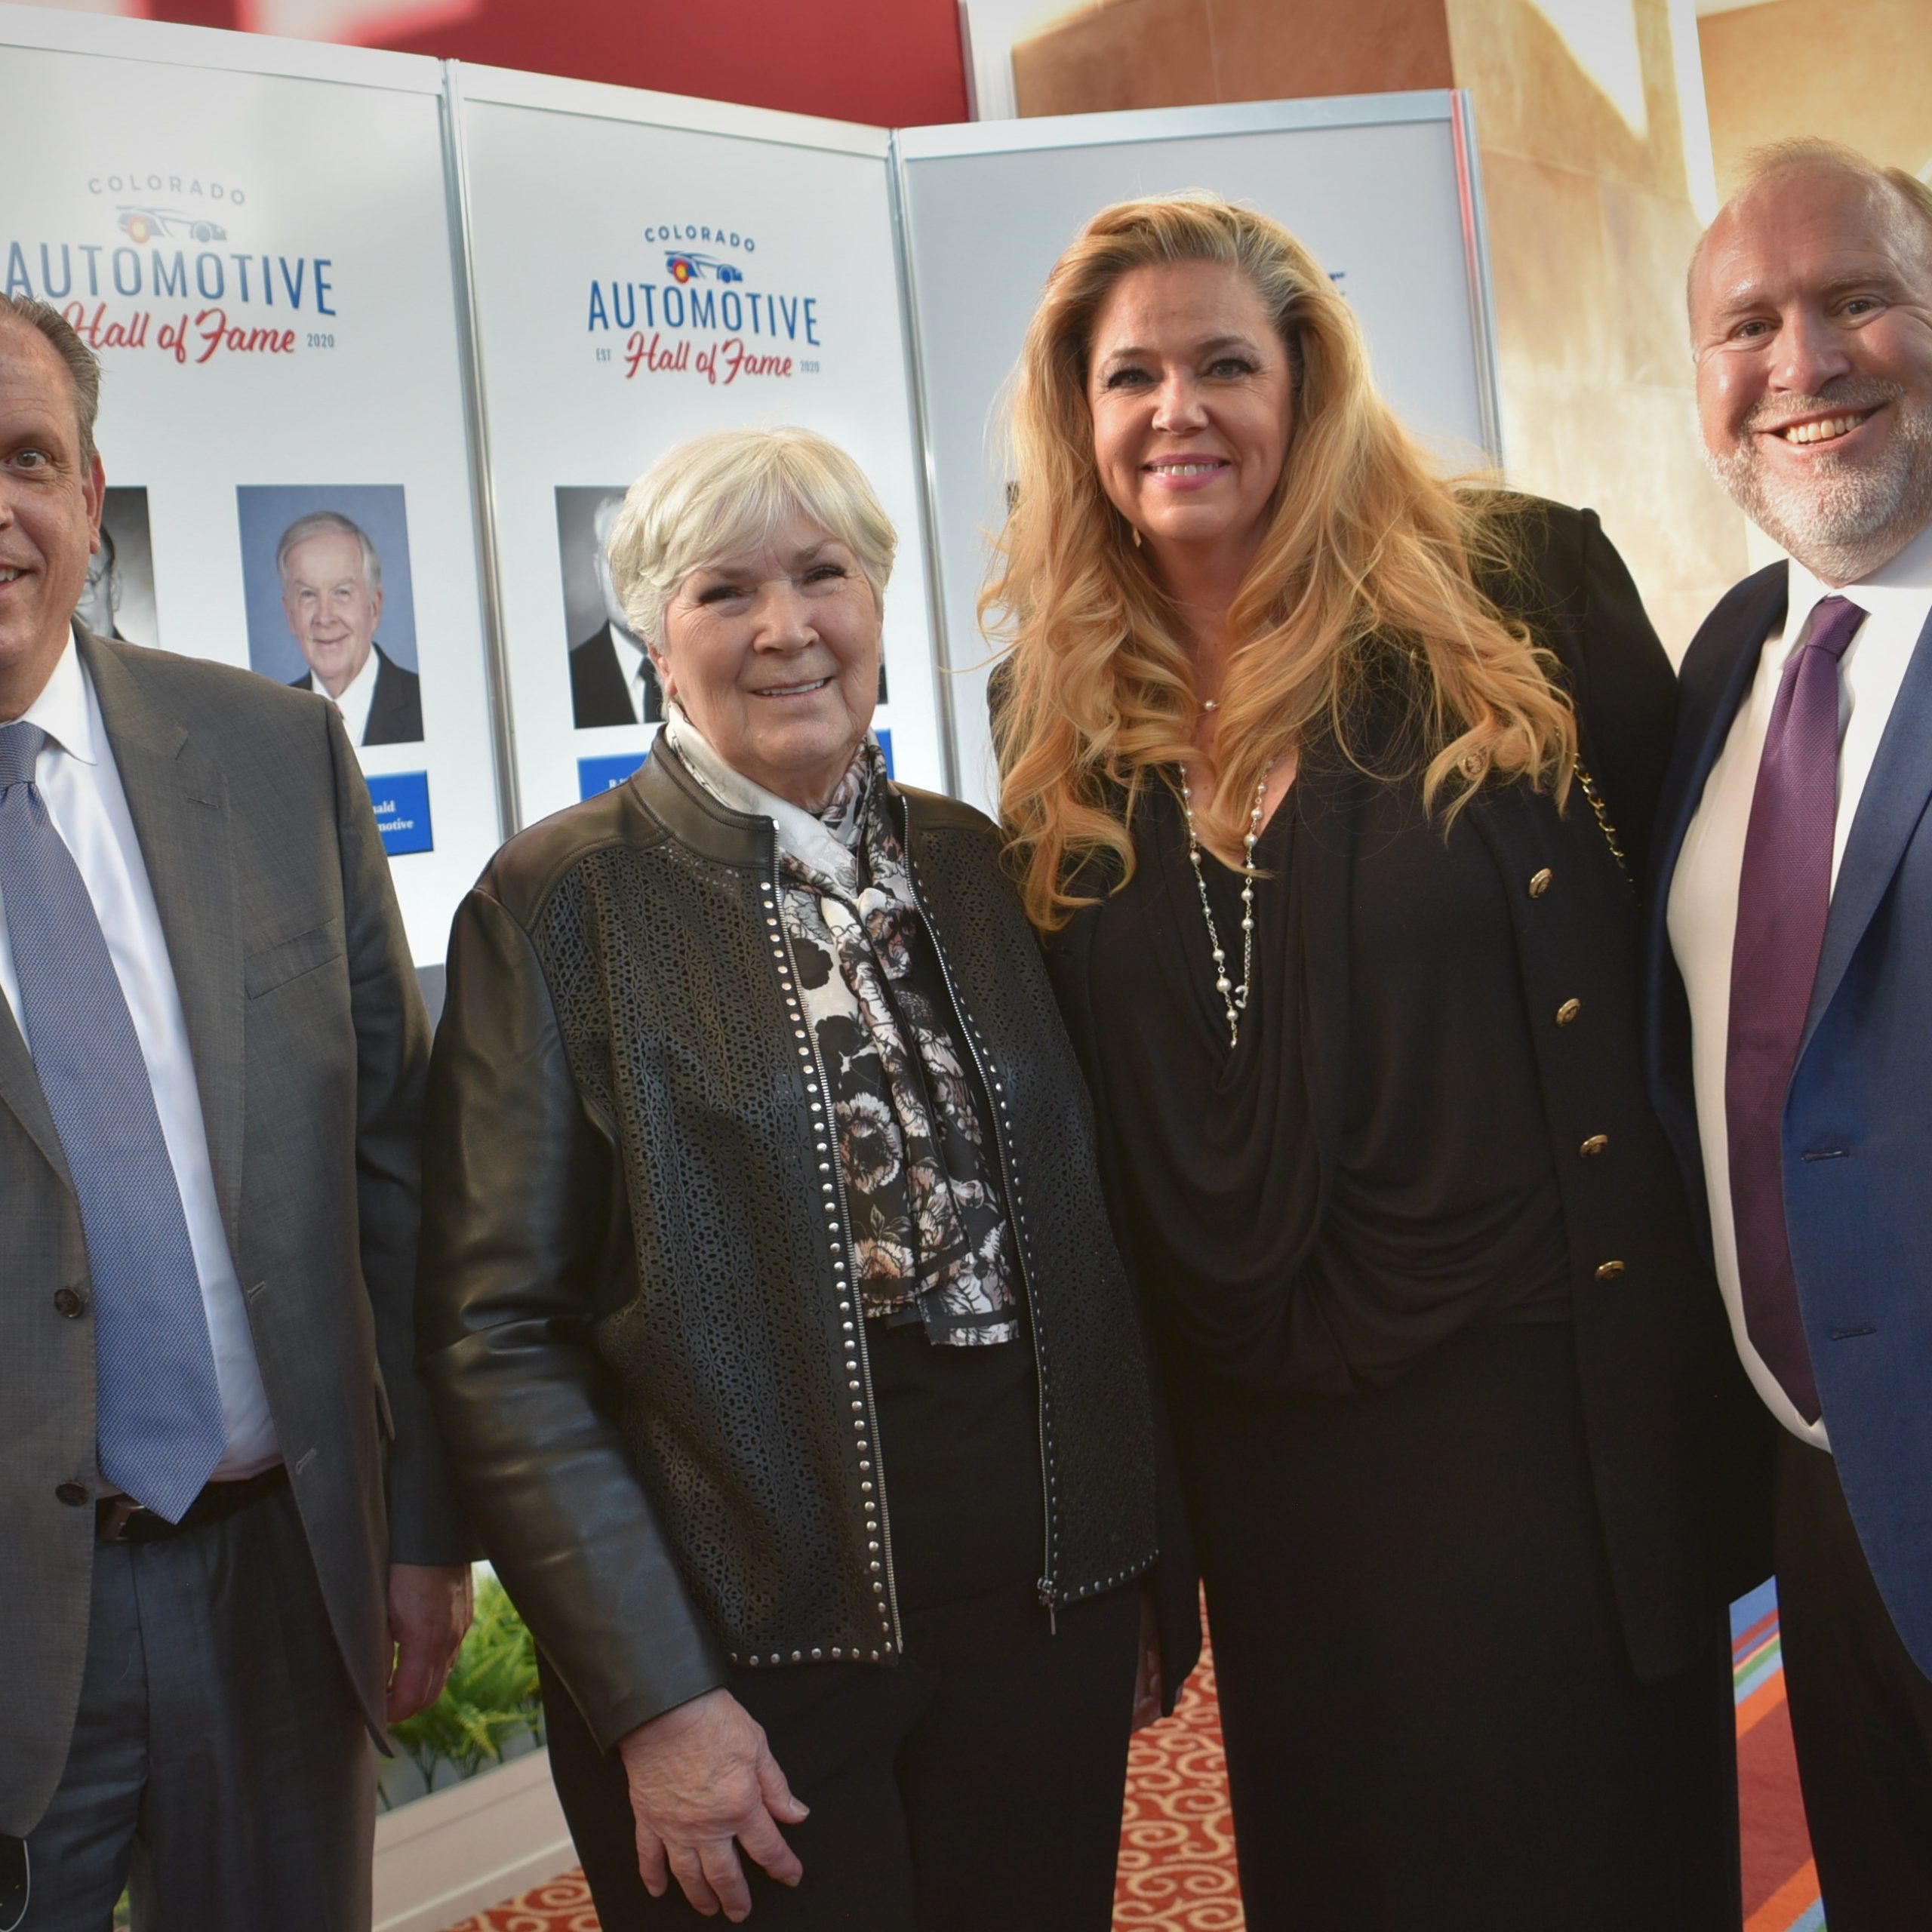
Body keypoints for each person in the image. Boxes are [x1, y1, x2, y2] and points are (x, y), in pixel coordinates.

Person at [986, 194, 1767, 1930]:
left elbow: (1682, 967)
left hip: (1539, 1425)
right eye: (1131, 376)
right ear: (1077, 416)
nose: (1175, 408)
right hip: (1267, 1462)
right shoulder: (1047, 709)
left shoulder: (1515, 591)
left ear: (1302, 382)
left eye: (1219, 363)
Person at [417, 425, 1189, 1930]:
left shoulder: (980, 863)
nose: (784, 628)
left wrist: (1131, 1561)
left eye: (821, 574)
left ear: (878, 598)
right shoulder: (557, 901)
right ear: (652, 633)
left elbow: (1099, 1235)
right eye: (724, 591)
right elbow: (496, 1338)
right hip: (744, 1644)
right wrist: (652, 1695)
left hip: (1035, 1606)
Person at [0, 295, 472, 1925]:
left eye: (27, 458)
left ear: (90, 487)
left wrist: (422, 1522)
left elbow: (397, 1165)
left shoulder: (275, 758)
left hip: (282, 1580)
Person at [1654, 139, 1932, 1926]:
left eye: (1856, 300)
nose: (1803, 363)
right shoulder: (1729, 657)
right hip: (1816, 1498)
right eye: (1745, 323)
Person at [278, 509, 424, 746]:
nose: (325, 618)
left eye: (342, 593)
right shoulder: (271, 720)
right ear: (290, 615)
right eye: (307, 595)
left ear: (374, 607)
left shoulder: (428, 705)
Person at [569, 488, 661, 728]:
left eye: (644, 558)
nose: (629, 578)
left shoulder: (714, 668)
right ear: (597, 570)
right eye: (617, 560)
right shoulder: (571, 677)